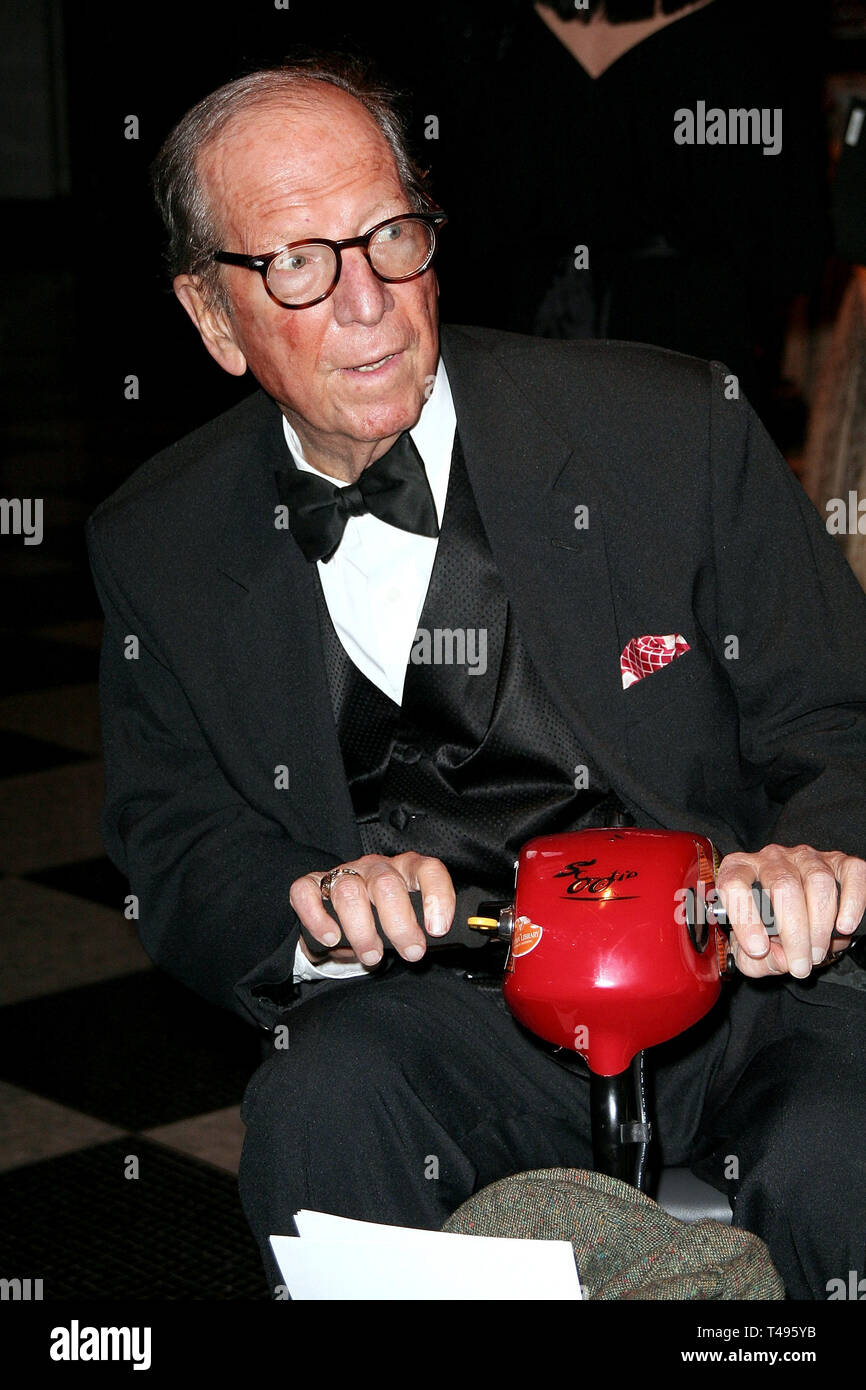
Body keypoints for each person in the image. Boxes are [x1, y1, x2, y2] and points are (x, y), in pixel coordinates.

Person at [86, 57, 866, 1301]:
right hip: (441, 1013)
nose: (366, 302)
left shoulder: (669, 428)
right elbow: (174, 843)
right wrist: (315, 904)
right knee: (318, 1108)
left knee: (847, 1142)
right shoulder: (157, 539)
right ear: (212, 318)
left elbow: (838, 720)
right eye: (297, 260)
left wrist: (811, 861)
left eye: (390, 234)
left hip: (740, 992)